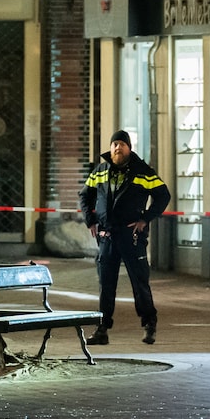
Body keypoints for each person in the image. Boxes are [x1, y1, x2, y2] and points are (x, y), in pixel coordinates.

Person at [78, 130, 171, 345]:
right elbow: (85, 195)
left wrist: (145, 219)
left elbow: (163, 195)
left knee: (139, 282)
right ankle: (102, 329)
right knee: (106, 285)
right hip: (107, 236)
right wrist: (90, 220)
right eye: (115, 144)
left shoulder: (142, 172)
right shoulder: (100, 171)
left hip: (132, 236)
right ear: (110, 148)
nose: (117, 148)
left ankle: (149, 324)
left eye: (122, 144)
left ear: (129, 148)